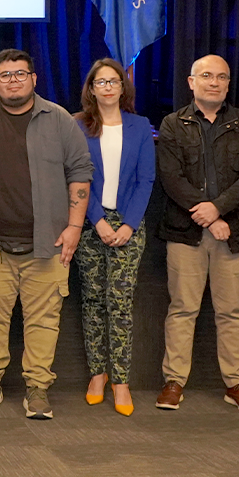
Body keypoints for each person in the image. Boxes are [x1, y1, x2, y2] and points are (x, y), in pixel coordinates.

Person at [0, 49, 93, 420]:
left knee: (44, 320)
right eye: (5, 75)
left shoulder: (59, 120)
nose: (13, 80)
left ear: (34, 78)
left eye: (20, 73)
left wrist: (75, 227)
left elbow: (80, 172)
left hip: (47, 243)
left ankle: (38, 389)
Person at [153, 54, 239, 414]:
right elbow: (172, 179)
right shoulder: (173, 124)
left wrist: (218, 209)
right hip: (185, 231)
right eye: (206, 76)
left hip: (234, 231)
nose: (214, 82)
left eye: (221, 77)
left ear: (229, 84)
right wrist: (207, 215)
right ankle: (174, 381)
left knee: (231, 310)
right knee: (182, 308)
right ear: (191, 82)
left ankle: (235, 383)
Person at [73, 59, 155, 417]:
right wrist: (98, 221)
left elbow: (146, 180)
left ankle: (121, 381)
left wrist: (128, 225)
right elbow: (75, 177)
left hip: (128, 226)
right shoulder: (78, 126)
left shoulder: (140, 126)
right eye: (100, 81)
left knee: (119, 303)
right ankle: (97, 375)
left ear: (123, 88)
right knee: (93, 301)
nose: (107, 87)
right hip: (90, 225)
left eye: (114, 81)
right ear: (91, 88)